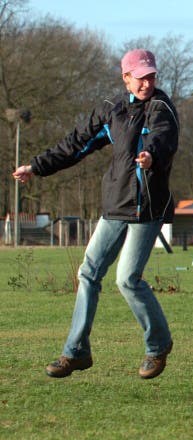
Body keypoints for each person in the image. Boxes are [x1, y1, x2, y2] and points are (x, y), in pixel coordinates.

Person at [12, 49, 180, 379]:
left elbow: (164, 139)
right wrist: (37, 167)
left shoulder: (162, 108)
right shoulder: (111, 111)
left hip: (147, 207)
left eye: (151, 76)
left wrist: (151, 156)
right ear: (126, 77)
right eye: (141, 76)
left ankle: (158, 345)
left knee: (127, 279)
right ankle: (76, 352)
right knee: (88, 272)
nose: (147, 82)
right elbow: (76, 144)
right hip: (115, 205)